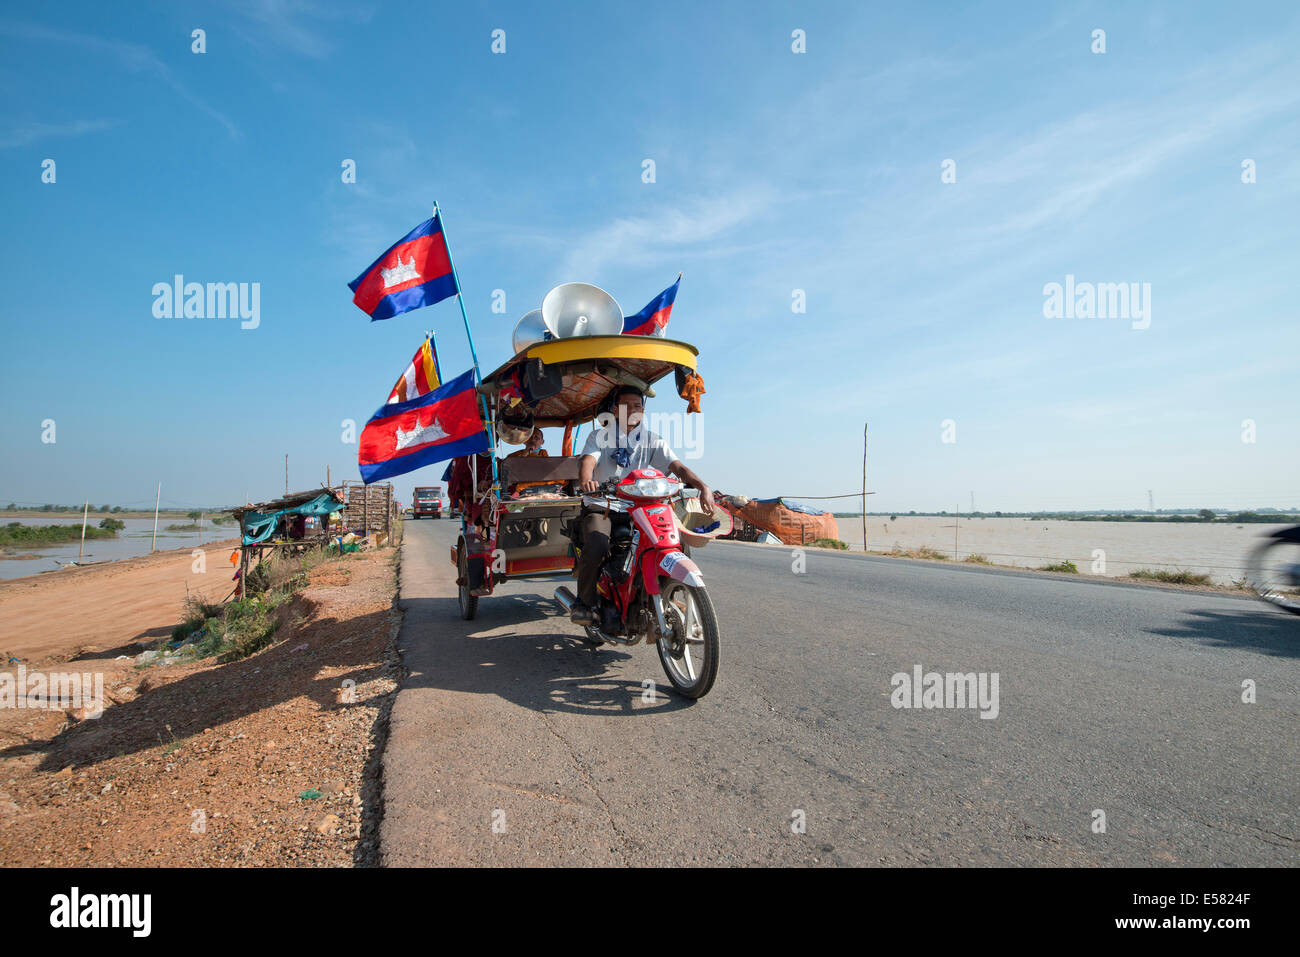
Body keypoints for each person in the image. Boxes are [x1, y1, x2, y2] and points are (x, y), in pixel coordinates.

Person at [570, 385, 714, 625]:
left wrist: (702, 486)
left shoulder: (651, 440)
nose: (634, 411)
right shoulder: (598, 437)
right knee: (597, 543)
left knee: (674, 542)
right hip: (603, 503)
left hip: (638, 508)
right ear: (615, 410)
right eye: (628, 406)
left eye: (639, 406)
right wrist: (586, 480)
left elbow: (677, 467)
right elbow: (588, 460)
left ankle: (667, 592)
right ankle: (583, 603)